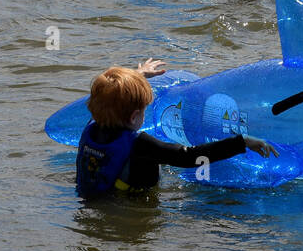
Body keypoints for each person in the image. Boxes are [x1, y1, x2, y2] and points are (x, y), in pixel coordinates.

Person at [75, 59, 275, 196]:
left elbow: (109, 98)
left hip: (93, 196)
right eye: (144, 110)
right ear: (135, 116)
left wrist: (137, 76)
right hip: (129, 202)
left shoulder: (92, 126)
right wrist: (242, 142)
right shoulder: (140, 145)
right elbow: (189, 157)